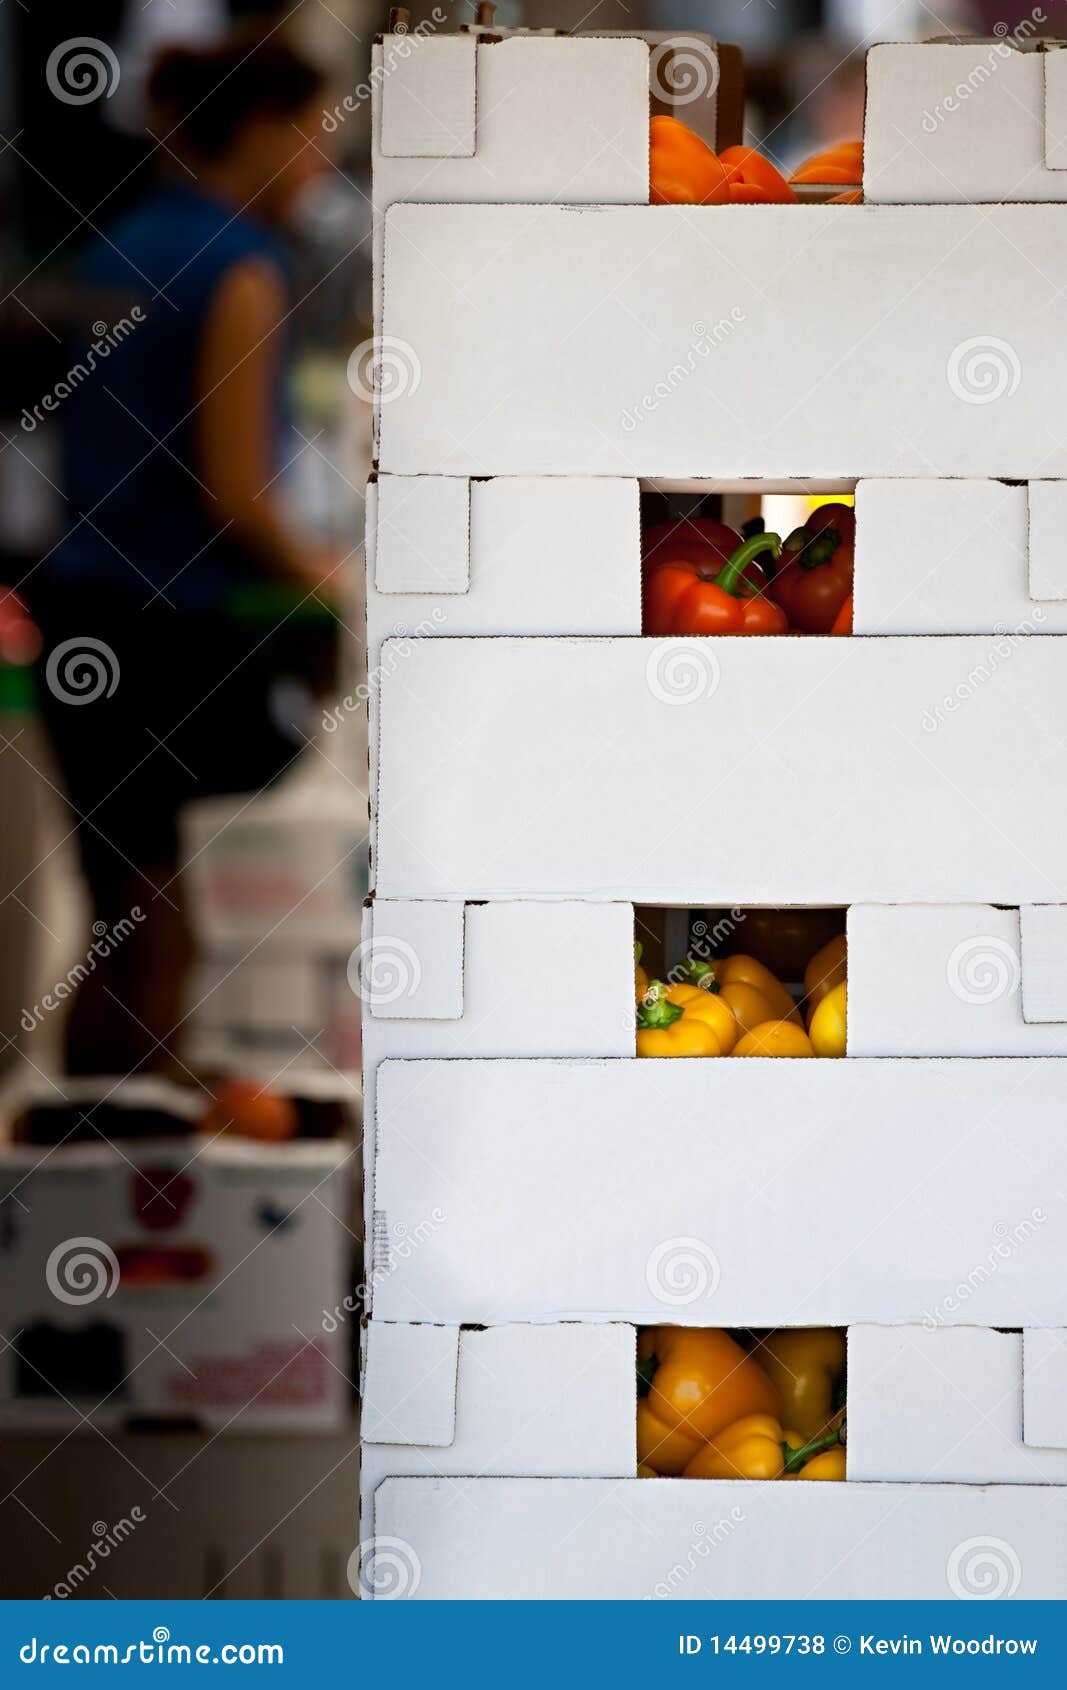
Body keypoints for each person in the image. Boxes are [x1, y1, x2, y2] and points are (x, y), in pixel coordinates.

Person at [31, 33, 341, 1078]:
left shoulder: (113, 246)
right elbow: (236, 492)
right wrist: (339, 583)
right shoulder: (243, 266)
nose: (318, 168)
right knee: (158, 930)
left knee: (125, 915)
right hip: (164, 631)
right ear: (258, 134)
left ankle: (73, 1184)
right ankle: (128, 1205)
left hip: (78, 615)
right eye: (311, 140)